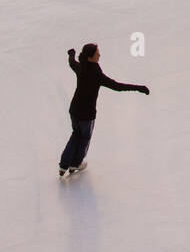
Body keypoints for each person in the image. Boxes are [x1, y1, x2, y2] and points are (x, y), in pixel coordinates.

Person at [59, 43, 149, 178]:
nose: (99, 55)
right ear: (90, 57)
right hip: (87, 115)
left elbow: (72, 62)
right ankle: (75, 164)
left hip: (74, 110)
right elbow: (117, 86)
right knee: (84, 138)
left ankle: (64, 164)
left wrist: (71, 54)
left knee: (76, 134)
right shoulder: (96, 75)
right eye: (97, 53)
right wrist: (138, 87)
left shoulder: (81, 67)